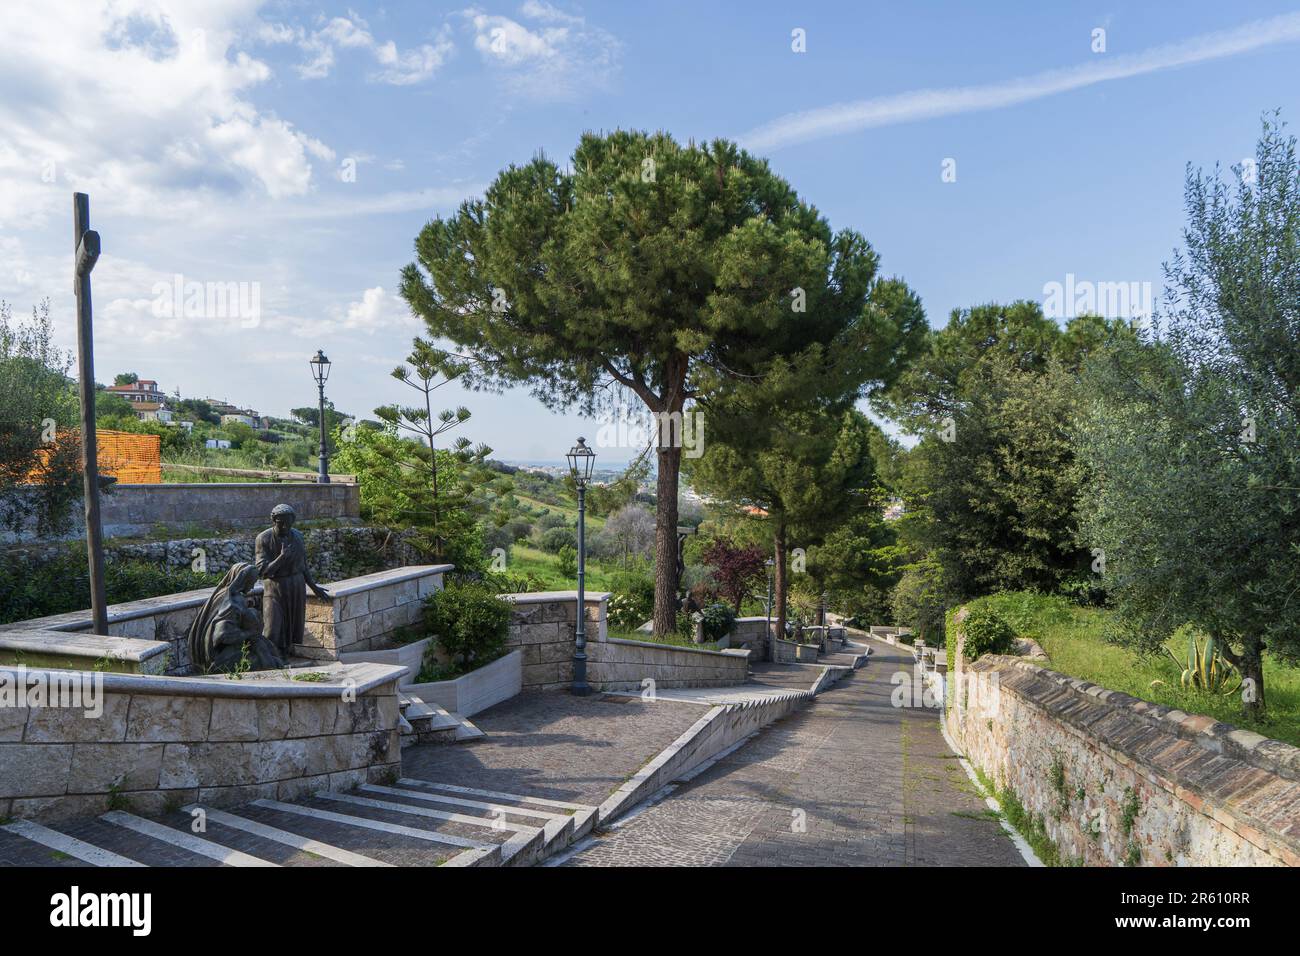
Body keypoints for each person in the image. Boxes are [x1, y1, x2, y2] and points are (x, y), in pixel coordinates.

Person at [255, 503, 330, 658]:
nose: (284, 527)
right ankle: (269, 659)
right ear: (273, 520)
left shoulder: (297, 536)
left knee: (294, 627)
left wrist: (314, 587)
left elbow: (303, 565)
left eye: (288, 523)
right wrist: (282, 558)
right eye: (280, 523)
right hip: (275, 587)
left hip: (296, 585)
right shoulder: (264, 538)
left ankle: (286, 657)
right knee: (272, 628)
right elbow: (262, 571)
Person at [187, 562, 285, 673]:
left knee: (268, 651)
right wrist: (249, 633)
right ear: (243, 580)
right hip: (222, 658)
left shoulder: (224, 594)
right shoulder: (231, 603)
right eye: (251, 582)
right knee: (269, 662)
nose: (252, 587)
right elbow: (222, 635)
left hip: (226, 652)